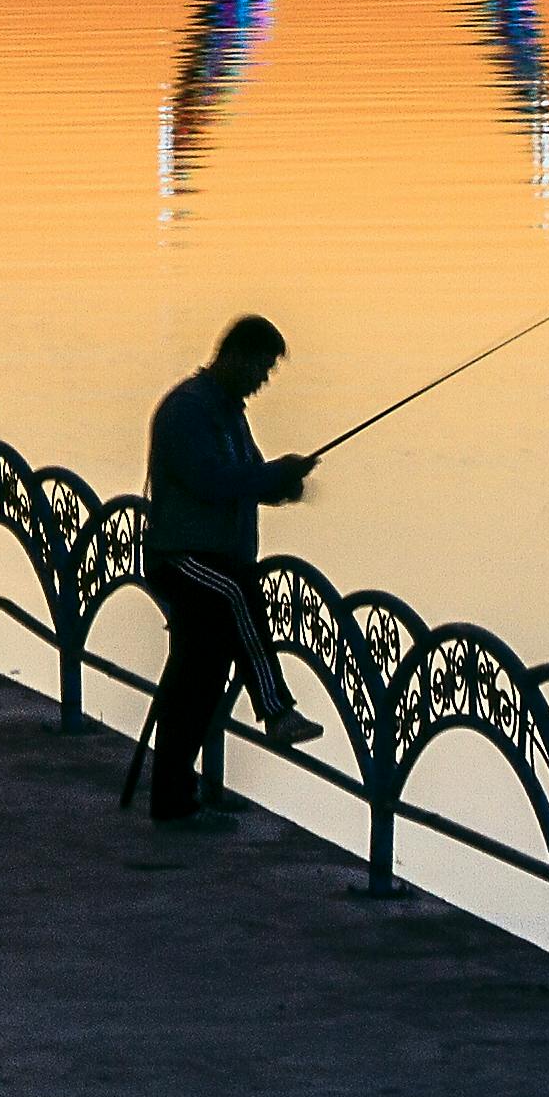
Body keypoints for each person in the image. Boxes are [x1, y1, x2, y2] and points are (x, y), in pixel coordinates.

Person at [141, 315, 325, 823]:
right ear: (235, 356)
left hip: (216, 560)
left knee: (200, 678)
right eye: (260, 368)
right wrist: (268, 476)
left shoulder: (230, 414)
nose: (262, 380)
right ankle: (277, 710)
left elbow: (248, 479)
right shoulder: (188, 411)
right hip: (180, 557)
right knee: (239, 596)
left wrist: (285, 482)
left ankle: (174, 797)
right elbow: (212, 481)